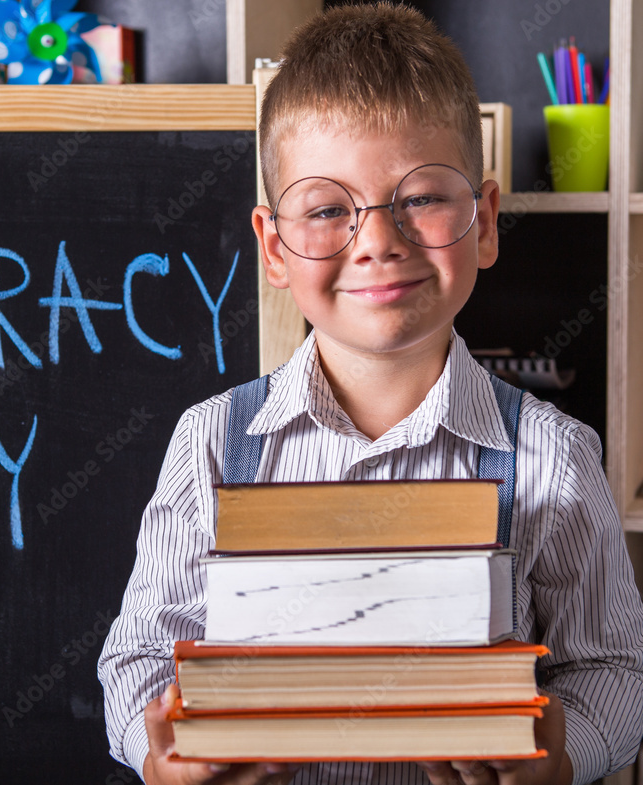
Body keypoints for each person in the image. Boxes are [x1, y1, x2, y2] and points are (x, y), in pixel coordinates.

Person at [97, 4, 643, 784]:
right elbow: (140, 655)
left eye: (420, 198)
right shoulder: (213, 442)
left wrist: (563, 755)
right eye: (326, 209)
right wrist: (162, 758)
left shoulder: (552, 455)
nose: (379, 241)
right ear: (274, 247)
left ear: (484, 223)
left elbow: (616, 668)